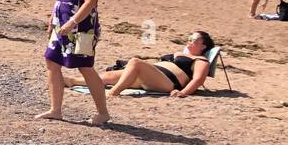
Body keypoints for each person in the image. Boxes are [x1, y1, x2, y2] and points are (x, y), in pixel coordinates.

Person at [38, 0, 108, 125]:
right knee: (51, 61)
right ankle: (55, 109)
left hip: (82, 26)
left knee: (85, 67)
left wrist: (73, 22)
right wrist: (53, 18)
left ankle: (102, 112)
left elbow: (90, 1)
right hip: (61, 24)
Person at [62, 31, 216, 98]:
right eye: (189, 38)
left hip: (169, 83)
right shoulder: (181, 53)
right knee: (109, 76)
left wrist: (183, 93)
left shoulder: (201, 61)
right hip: (152, 76)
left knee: (135, 62)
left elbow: (198, 80)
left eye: (194, 40)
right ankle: (71, 81)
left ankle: (113, 93)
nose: (190, 41)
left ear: (203, 46)